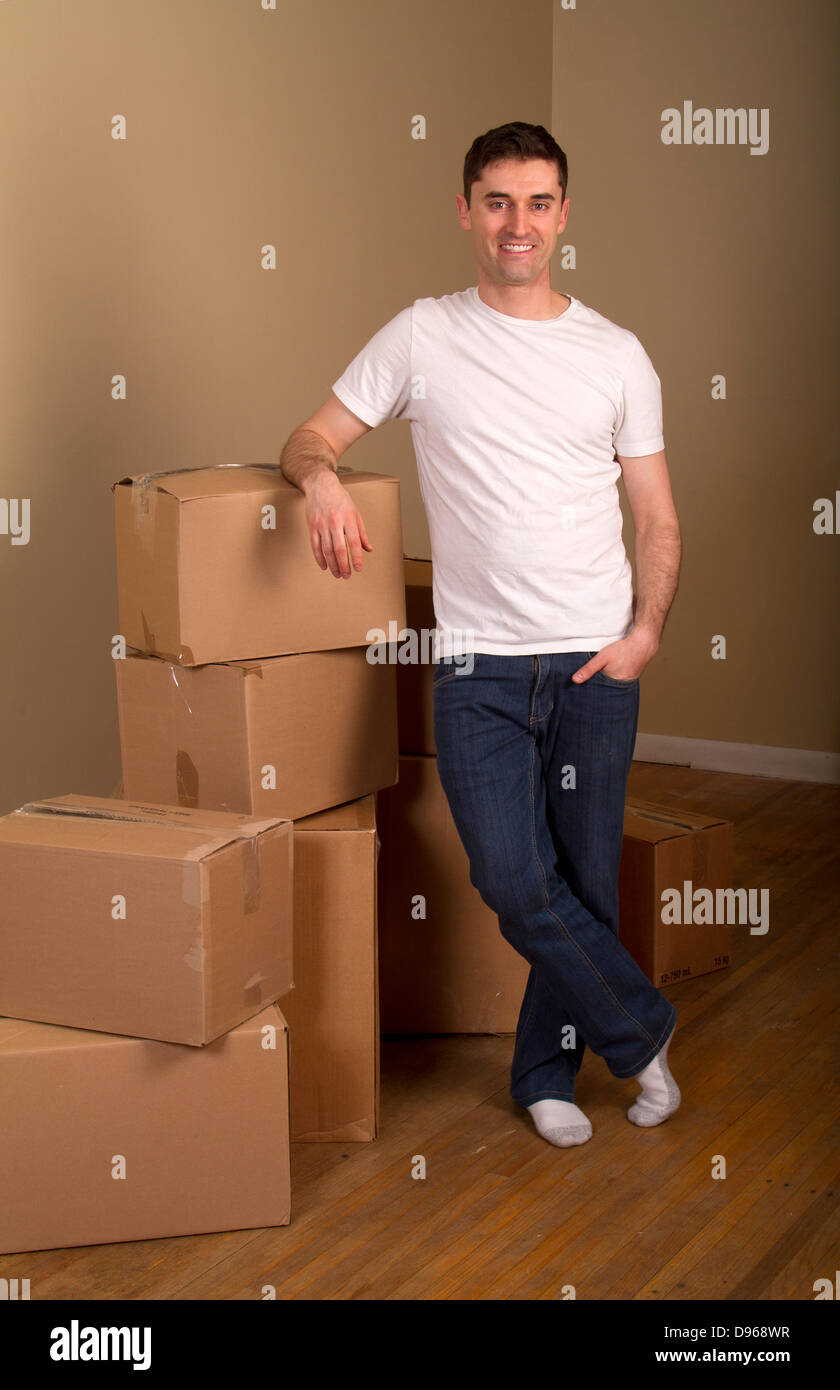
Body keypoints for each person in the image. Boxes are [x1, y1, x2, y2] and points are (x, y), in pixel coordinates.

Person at [279, 120, 682, 1149]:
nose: (518, 223)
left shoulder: (617, 355)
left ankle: (544, 1075)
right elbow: (310, 434)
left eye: (538, 202)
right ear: (466, 210)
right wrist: (320, 478)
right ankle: (642, 1030)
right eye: (497, 200)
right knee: (511, 874)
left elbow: (658, 515)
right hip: (474, 666)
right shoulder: (422, 334)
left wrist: (645, 631)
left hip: (597, 661)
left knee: (583, 881)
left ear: (563, 216)